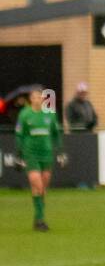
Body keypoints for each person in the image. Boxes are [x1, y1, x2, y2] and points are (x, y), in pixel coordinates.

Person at [14, 85, 65, 232]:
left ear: (43, 98)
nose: (37, 99)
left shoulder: (50, 114)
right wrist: (19, 154)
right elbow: (19, 135)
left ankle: (37, 219)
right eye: (34, 97)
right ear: (31, 99)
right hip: (31, 154)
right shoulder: (25, 114)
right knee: (38, 186)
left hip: (46, 154)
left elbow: (56, 134)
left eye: (39, 96)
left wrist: (61, 151)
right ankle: (41, 220)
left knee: (42, 189)